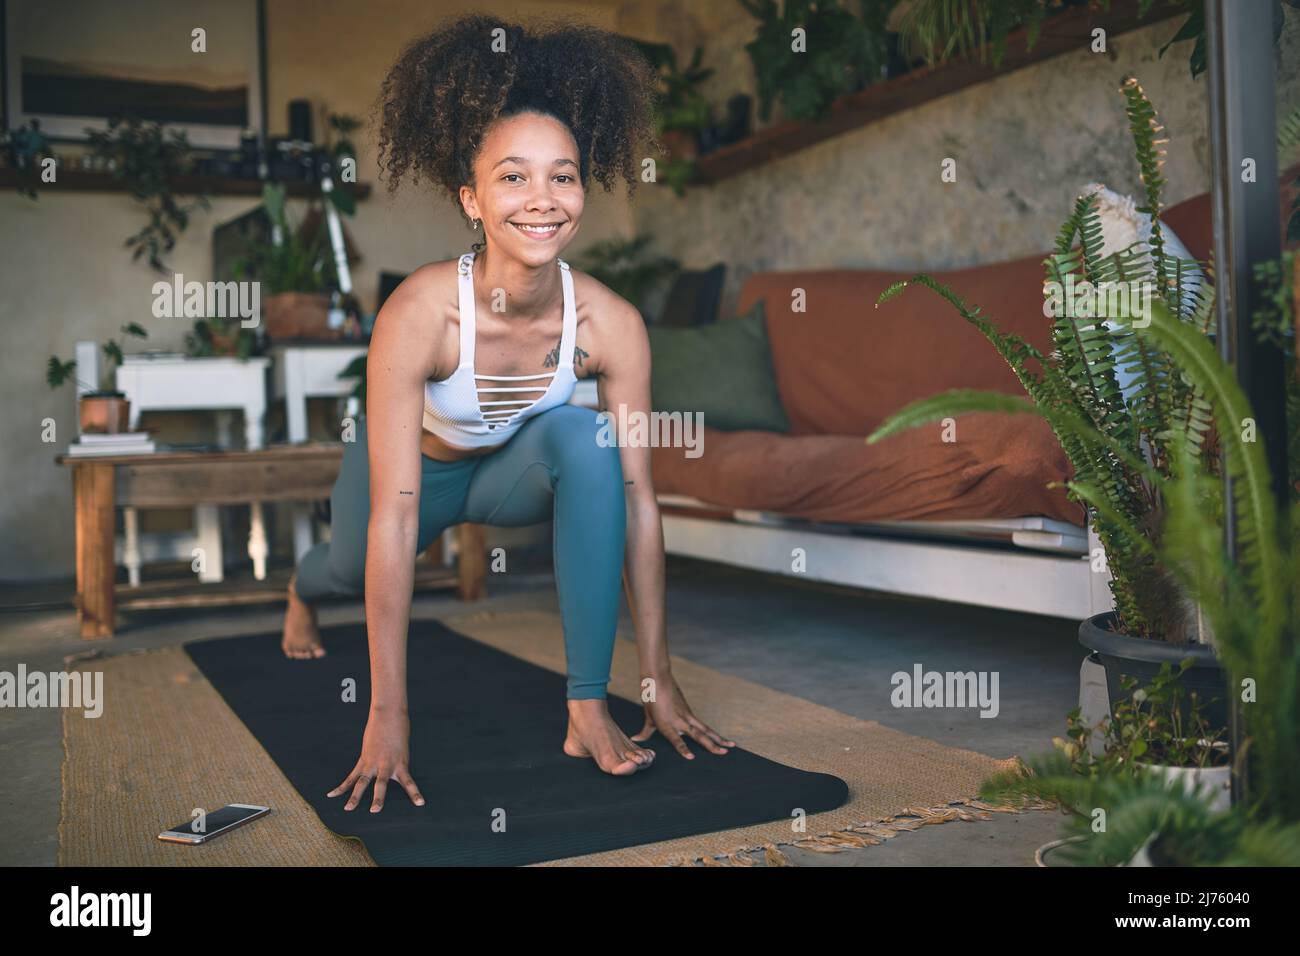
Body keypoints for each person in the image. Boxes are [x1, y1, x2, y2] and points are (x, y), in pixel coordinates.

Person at [280, 14, 735, 814]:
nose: (542, 200)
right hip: (408, 479)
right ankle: (301, 587)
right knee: (347, 570)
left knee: (592, 439)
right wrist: (387, 715)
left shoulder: (610, 323)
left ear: (583, 192)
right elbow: (395, 510)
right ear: (473, 198)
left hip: (507, 477)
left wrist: (658, 682)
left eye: (563, 177)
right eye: (513, 178)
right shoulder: (422, 311)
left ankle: (586, 709)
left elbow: (638, 500)